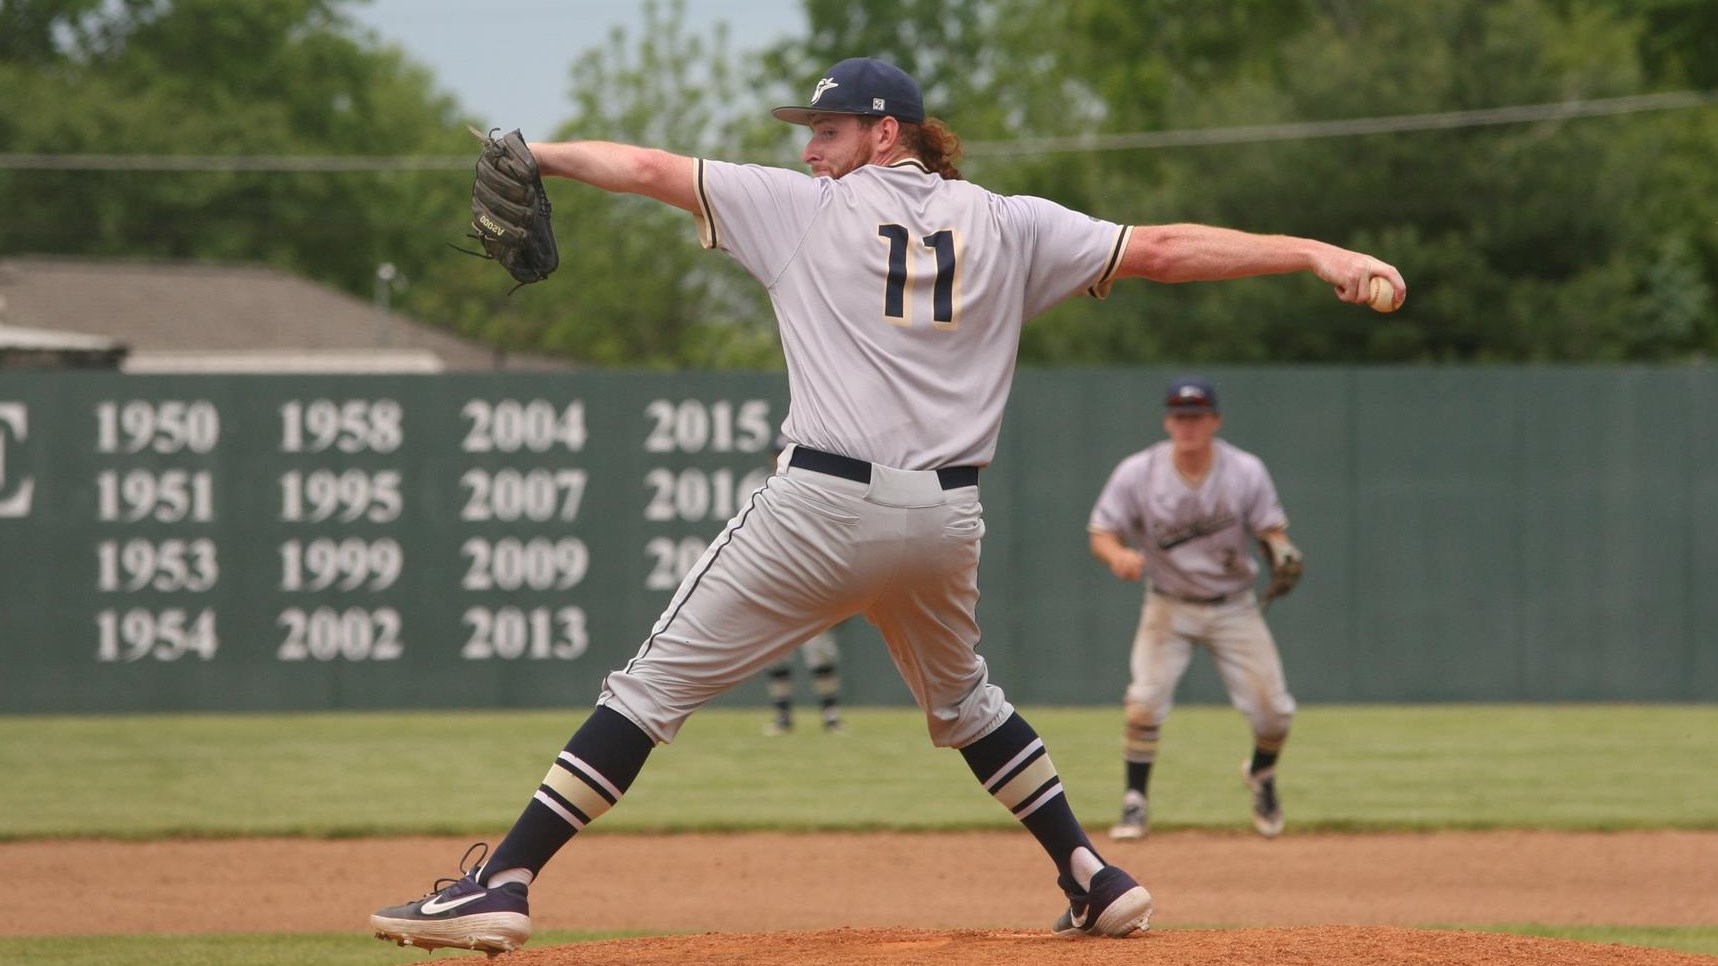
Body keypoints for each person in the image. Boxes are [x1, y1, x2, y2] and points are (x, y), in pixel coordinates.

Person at [369, 56, 1404, 955]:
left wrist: (536, 152)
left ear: (882, 133)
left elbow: (642, 169)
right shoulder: (1012, 224)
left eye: (825, 130)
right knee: (965, 705)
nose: (810, 150)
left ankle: (500, 883)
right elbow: (1167, 249)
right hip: (944, 521)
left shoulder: (800, 208)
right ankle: (1093, 876)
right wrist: (1316, 253)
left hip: (819, 504)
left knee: (648, 690)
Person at [1086, 376, 1303, 841]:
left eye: (1197, 416)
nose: (1188, 425)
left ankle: (1261, 775)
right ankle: (1134, 801)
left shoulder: (1245, 470)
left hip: (1233, 606)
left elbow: (1271, 530)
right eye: (1180, 416)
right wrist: (1117, 555)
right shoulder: (1138, 472)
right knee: (1143, 702)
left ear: (1215, 421)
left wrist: (1280, 548)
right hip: (1169, 605)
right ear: (1168, 421)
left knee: (1274, 714)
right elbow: (1101, 531)